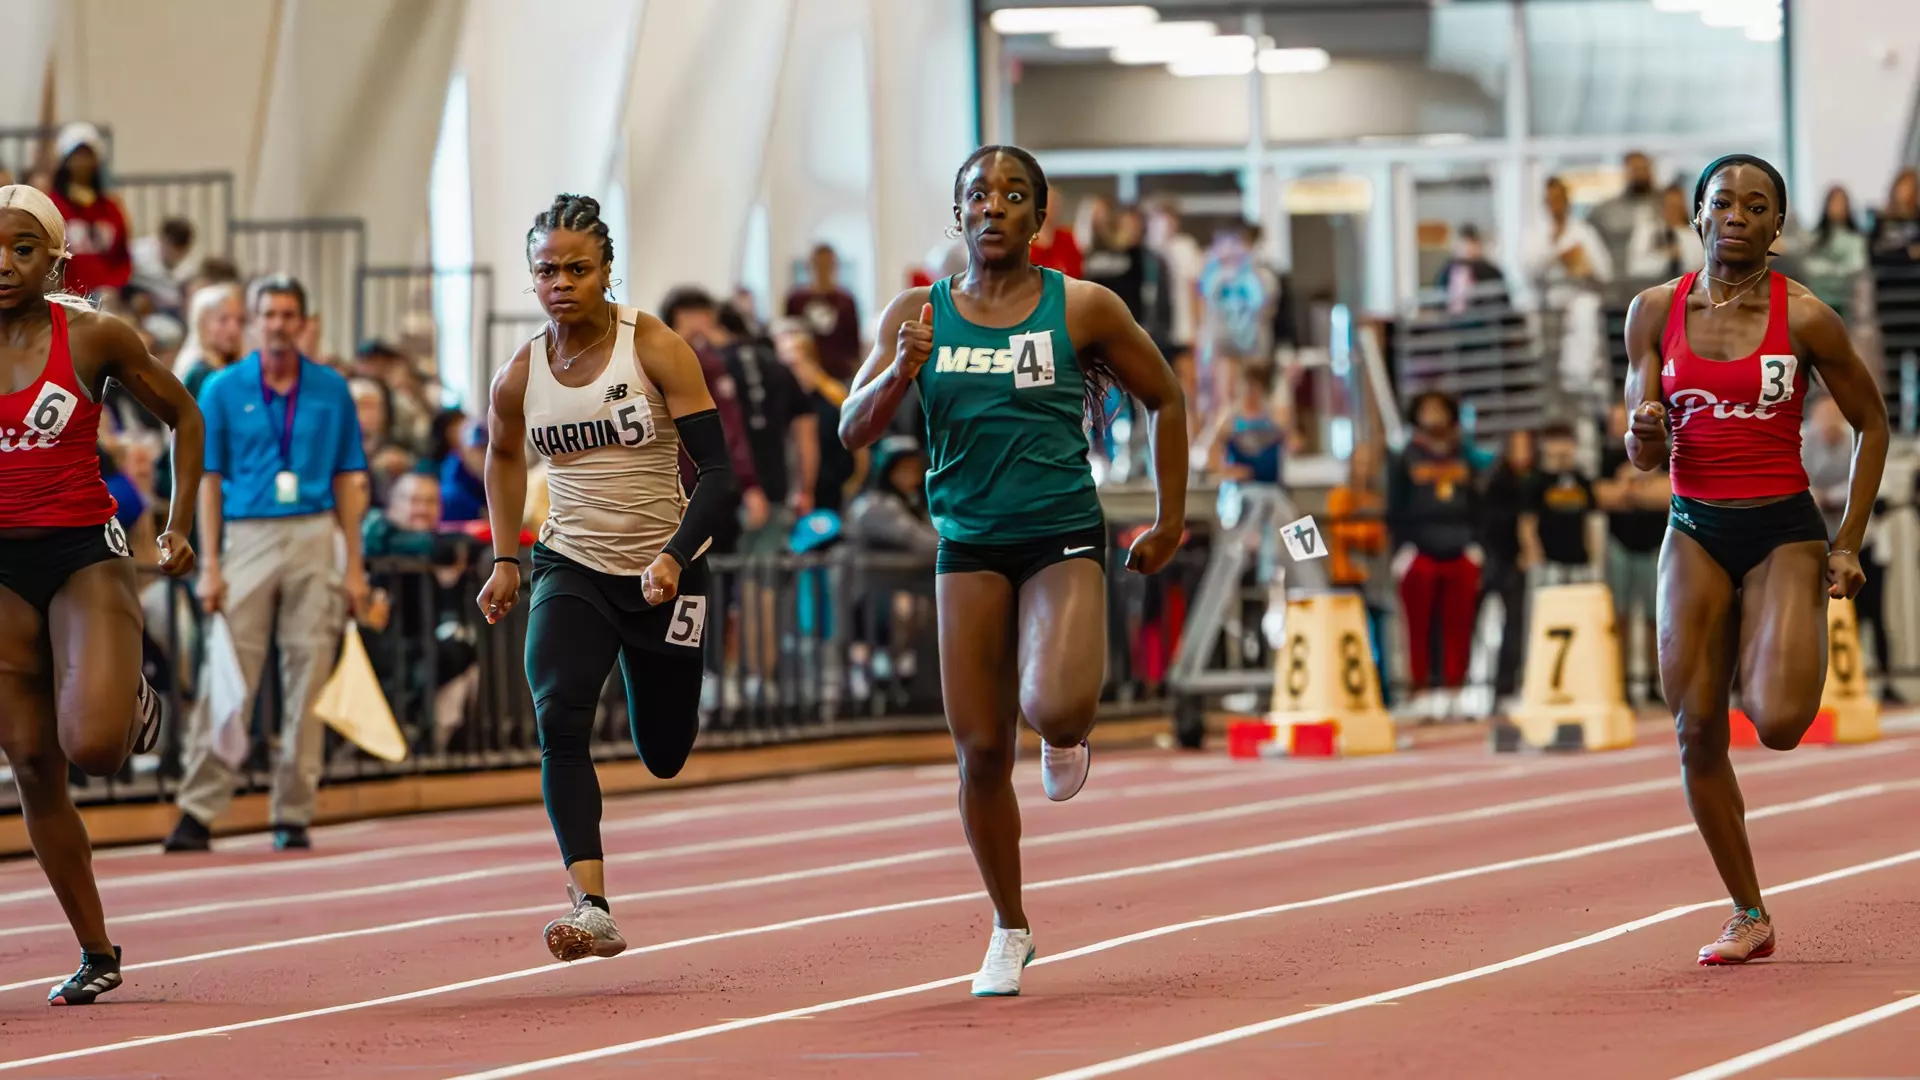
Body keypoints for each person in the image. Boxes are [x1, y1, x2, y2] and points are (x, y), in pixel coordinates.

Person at [838, 145, 1187, 997]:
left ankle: (1065, 732)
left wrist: (1169, 519)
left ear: (1041, 217)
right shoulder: (916, 314)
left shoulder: (1084, 307)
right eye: (978, 196)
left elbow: (1165, 396)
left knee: (1053, 704)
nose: (993, 208)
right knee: (980, 751)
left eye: (1013, 196)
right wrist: (897, 372)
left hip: (1061, 531)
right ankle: (1009, 925)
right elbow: (853, 429)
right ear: (957, 214)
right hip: (966, 544)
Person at [1622, 154, 1889, 965]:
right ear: (1697, 217)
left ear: (1777, 227)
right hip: (1693, 526)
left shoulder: (1807, 317)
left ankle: (1764, 624)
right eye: (1722, 202)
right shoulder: (1651, 311)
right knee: (1696, 727)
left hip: (1783, 530)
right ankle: (1748, 911)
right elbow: (1640, 444)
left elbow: (1875, 426)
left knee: (1776, 724)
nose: (1737, 215)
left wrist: (1846, 543)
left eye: (1756, 205)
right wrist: (1641, 436)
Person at [474, 194, 737, 963]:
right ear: (531, 278)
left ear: (606, 272)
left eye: (578, 269)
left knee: (664, 751)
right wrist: (505, 558)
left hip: (667, 571)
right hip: (572, 563)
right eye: (547, 270)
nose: (562, 282)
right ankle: (591, 907)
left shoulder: (654, 347)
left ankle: (649, 666)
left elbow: (717, 475)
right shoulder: (520, 372)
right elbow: (502, 455)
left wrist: (674, 556)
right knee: (558, 715)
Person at [0, 184, 204, 1004]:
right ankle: (97, 951)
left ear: (56, 259)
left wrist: (180, 525)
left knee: (93, 747)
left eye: (21, 248)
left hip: (85, 553)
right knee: (34, 765)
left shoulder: (93, 337)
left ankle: (133, 700)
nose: (3, 264)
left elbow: (184, 419)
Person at [164, 275, 373, 855]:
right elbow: (207, 478)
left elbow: (349, 480)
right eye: (269, 314)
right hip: (247, 530)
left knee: (308, 673)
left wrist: (354, 566)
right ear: (255, 322)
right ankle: (199, 808)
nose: (279, 324)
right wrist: (209, 564)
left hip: (314, 527)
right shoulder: (223, 388)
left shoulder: (332, 390)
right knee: (228, 672)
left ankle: (294, 810)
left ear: (303, 322)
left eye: (288, 314)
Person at [1386, 391, 1481, 720]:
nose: (1433, 416)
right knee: (1418, 626)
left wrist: (1474, 542)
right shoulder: (1405, 456)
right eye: (1426, 410)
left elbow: (1476, 500)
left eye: (1439, 409)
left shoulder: (1463, 454)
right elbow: (1395, 504)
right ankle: (1421, 691)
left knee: (1459, 625)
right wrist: (1402, 548)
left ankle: (1455, 690)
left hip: (1458, 549)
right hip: (1420, 550)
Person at [1801, 395, 1895, 702]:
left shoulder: (1859, 438)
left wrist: (1828, 498)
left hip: (1859, 540)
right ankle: (1816, 683)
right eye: (1822, 415)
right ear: (1813, 418)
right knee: (1820, 614)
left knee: (1875, 614)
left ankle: (1885, 680)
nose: (1828, 420)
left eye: (1833, 413)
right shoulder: (1800, 442)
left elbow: (1873, 484)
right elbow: (1800, 486)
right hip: (1818, 541)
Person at [1596, 402, 1669, 705]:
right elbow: (1603, 497)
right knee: (1620, 617)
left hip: (1654, 544)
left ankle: (1654, 679)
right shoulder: (1606, 458)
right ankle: (1621, 679)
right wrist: (1641, 488)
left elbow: (1668, 494)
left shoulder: (1659, 453)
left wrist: (1628, 488)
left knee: (1657, 619)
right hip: (1620, 545)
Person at [1478, 429, 1537, 707]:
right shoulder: (1496, 480)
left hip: (1517, 562)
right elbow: (1489, 524)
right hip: (1495, 560)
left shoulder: (1532, 480)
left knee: (1516, 626)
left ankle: (1507, 686)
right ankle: (1470, 687)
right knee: (1483, 625)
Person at [42, 124, 133, 302]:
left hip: (107, 295)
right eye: (76, 155)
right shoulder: (51, 206)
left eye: (87, 155)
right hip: (65, 295)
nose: (82, 162)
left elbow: (122, 256)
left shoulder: (111, 208)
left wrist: (115, 285)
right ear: (65, 161)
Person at [1518, 421, 1603, 586]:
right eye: (1555, 441)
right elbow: (1527, 523)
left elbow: (1591, 521)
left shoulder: (1582, 481)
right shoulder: (1535, 482)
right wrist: (1534, 555)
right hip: (1548, 562)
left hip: (1579, 561)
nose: (1560, 446)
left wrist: (1594, 558)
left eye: (1565, 440)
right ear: (1545, 445)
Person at [783, 244, 863, 382]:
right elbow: (788, 338)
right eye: (818, 264)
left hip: (840, 374)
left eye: (827, 264)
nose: (822, 269)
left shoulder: (846, 300)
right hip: (807, 376)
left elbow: (854, 343)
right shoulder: (796, 299)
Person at [1589, 150, 1663, 276]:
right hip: (1619, 280)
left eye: (1642, 168)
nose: (1639, 174)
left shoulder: (1666, 205)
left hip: (1661, 280)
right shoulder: (1606, 211)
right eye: (1634, 169)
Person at [1799, 186, 1868, 311]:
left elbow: (1856, 266)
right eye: (1834, 202)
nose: (1837, 207)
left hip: (1847, 303)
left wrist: (1829, 271)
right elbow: (1808, 266)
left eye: (1841, 203)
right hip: (1818, 300)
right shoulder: (1814, 238)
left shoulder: (1856, 239)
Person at [172, 281, 245, 399]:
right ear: (202, 324)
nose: (234, 330)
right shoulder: (198, 373)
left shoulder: (237, 366)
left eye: (239, 320)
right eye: (223, 320)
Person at [1626, 185, 1707, 282]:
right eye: (1670, 205)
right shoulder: (1647, 230)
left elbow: (1701, 268)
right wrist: (1668, 257)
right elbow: (1635, 267)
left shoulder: (1696, 236)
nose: (1674, 210)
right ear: (1661, 207)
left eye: (1678, 206)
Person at [1434, 224, 1510, 313]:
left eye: (1471, 243)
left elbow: (1502, 302)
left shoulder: (1489, 270)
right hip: (1453, 320)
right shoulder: (1448, 270)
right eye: (1464, 243)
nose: (1468, 248)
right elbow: (1438, 299)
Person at [1867, 167, 1920, 267]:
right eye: (1902, 186)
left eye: (1910, 186)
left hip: (1914, 277)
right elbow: (1874, 253)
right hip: (1886, 275)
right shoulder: (1881, 219)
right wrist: (1906, 253)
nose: (1904, 191)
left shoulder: (1917, 220)